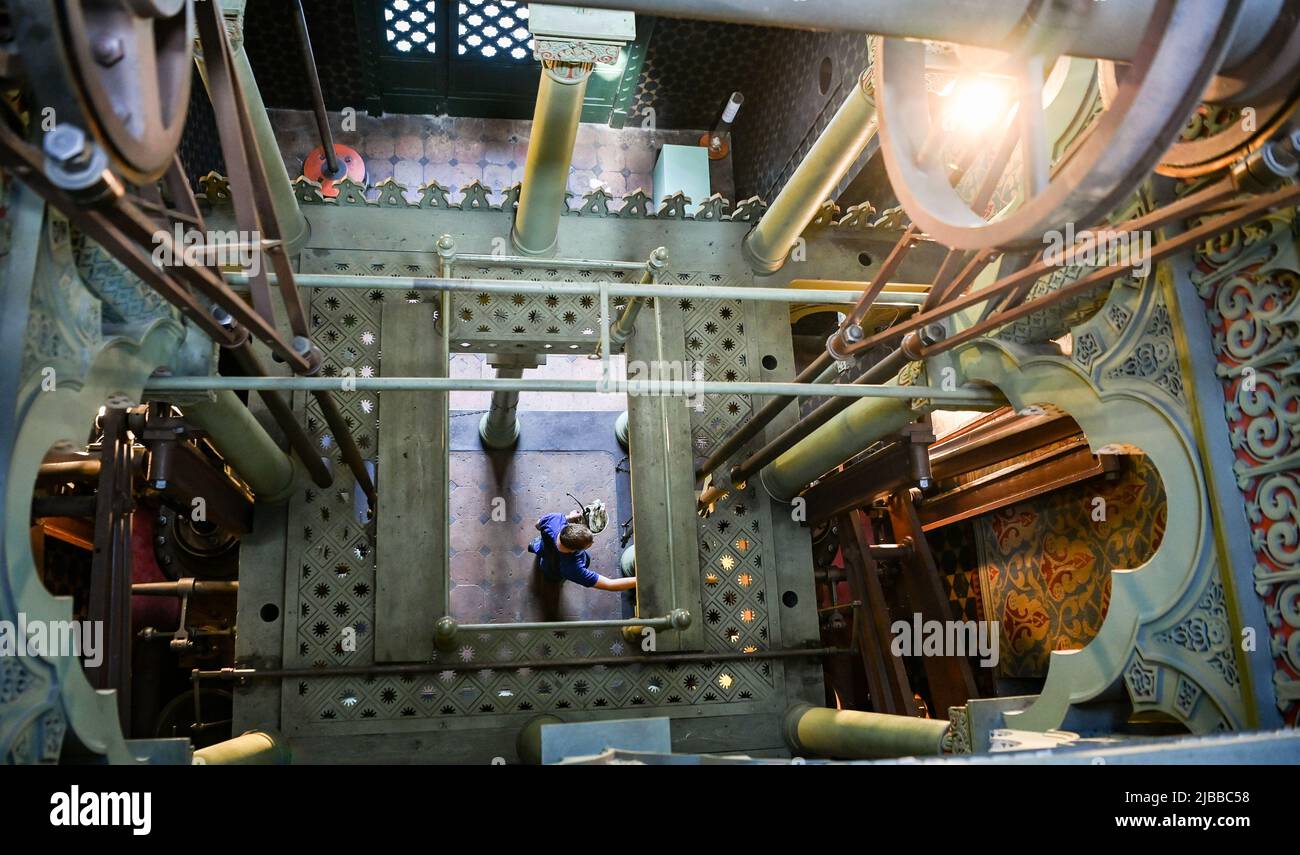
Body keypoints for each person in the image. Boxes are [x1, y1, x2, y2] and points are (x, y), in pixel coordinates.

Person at [528, 510, 636, 591]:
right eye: (589, 545)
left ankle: (535, 547)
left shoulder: (555, 519)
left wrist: (569, 517)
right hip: (554, 569)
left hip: (545, 548)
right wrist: (639, 580)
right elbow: (610, 585)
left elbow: (538, 524)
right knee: (553, 575)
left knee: (544, 552)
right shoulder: (574, 569)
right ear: (575, 550)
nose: (592, 544)